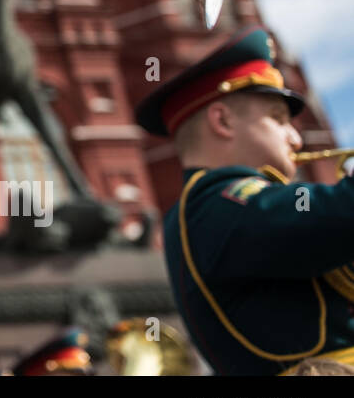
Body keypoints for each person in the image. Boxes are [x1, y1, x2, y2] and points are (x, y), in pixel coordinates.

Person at [137, 27, 354, 375]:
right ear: (222, 120)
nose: (295, 138)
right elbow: (335, 214)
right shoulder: (216, 203)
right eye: (279, 119)